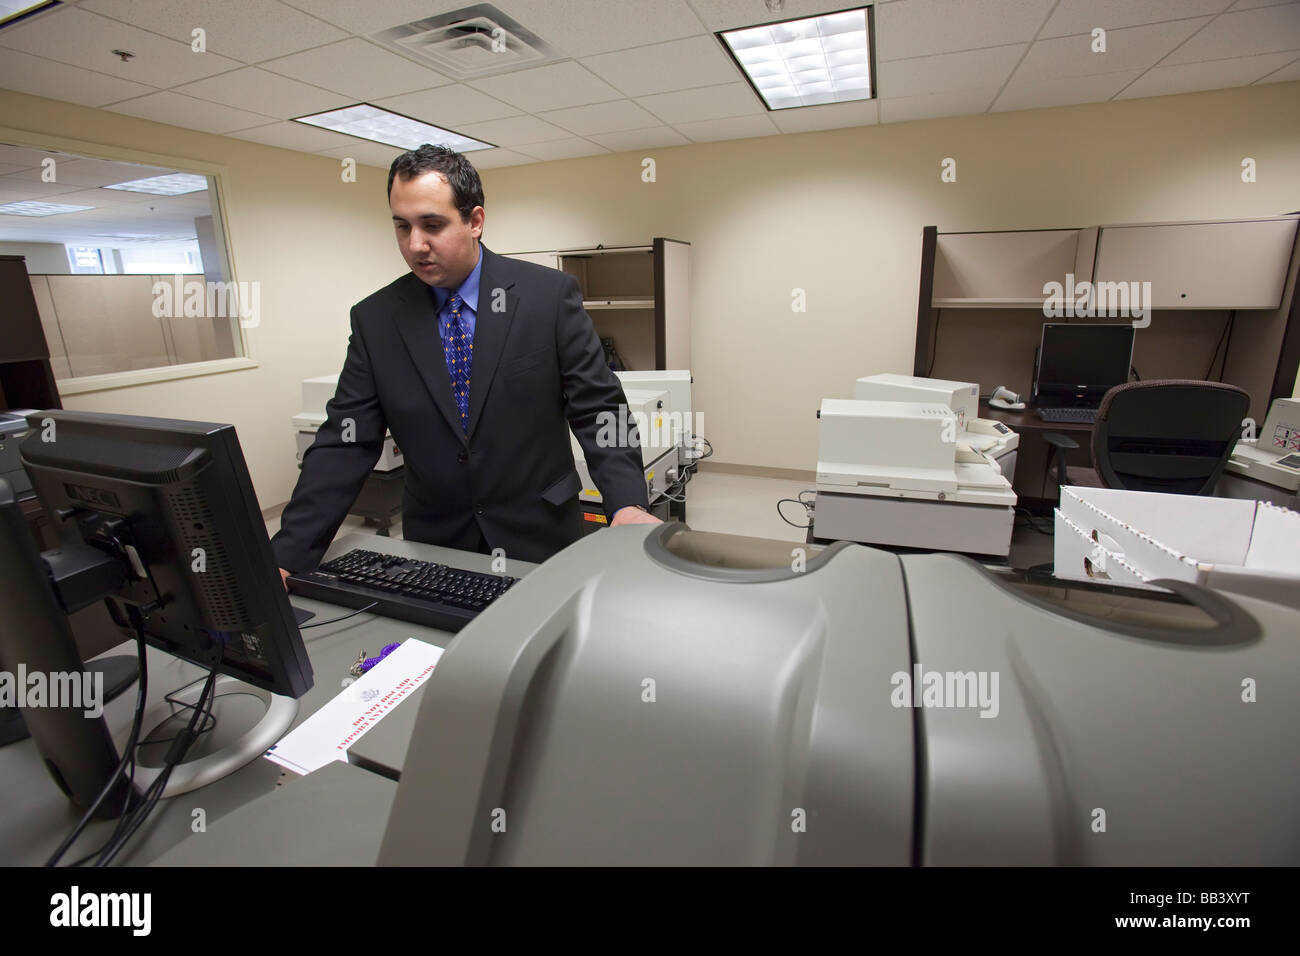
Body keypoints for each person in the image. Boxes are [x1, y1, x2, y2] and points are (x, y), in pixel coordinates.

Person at [272, 144, 659, 580]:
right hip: (436, 541)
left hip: (541, 534)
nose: (415, 245)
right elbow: (346, 442)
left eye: (432, 225)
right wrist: (288, 554)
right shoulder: (377, 319)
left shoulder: (546, 298)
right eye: (402, 227)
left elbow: (599, 410)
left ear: (475, 221)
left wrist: (626, 503)